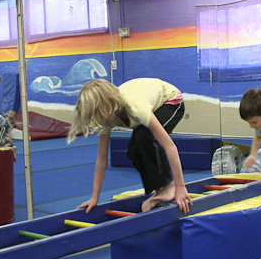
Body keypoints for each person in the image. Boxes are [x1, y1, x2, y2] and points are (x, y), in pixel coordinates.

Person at [67, 78, 192, 214]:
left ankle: (169, 187)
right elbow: (101, 159)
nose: (99, 120)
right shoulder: (105, 118)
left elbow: (170, 147)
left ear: (110, 105)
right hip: (148, 100)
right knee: (133, 150)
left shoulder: (136, 107)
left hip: (170, 100)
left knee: (144, 137)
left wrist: (180, 187)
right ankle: (162, 189)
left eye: (100, 114)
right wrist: (94, 197)